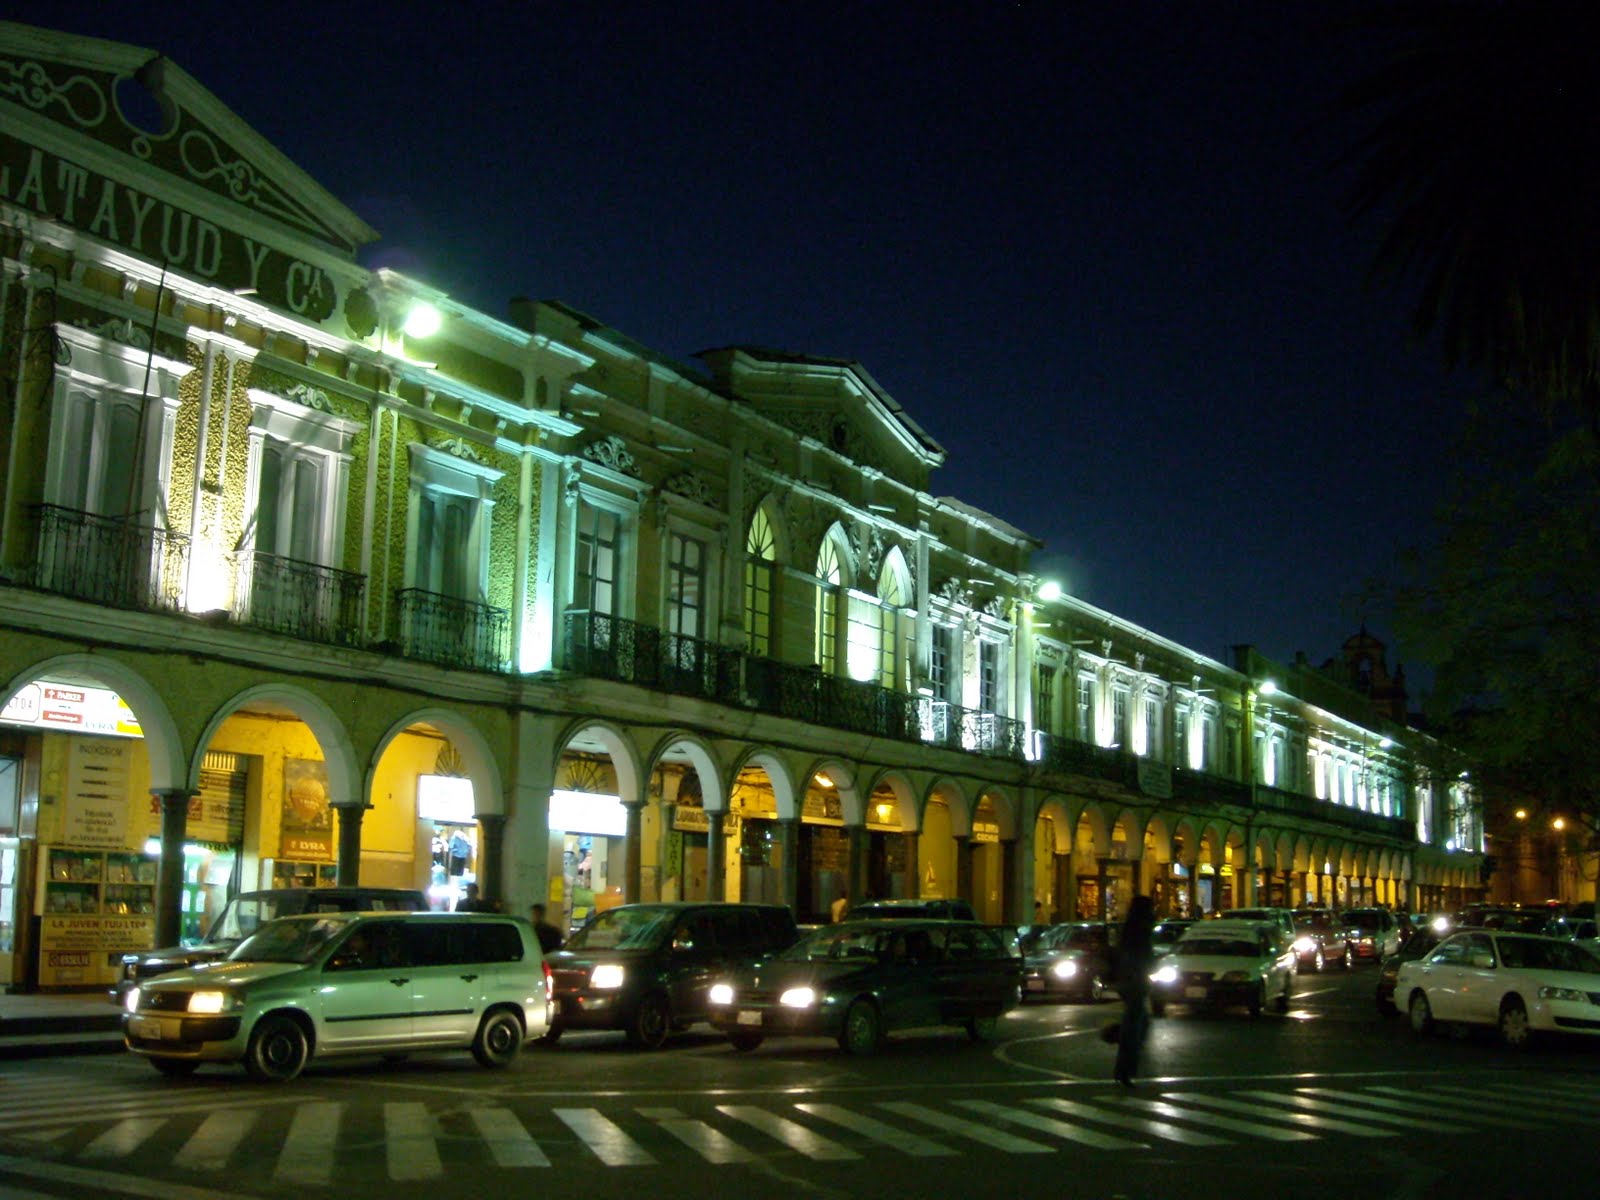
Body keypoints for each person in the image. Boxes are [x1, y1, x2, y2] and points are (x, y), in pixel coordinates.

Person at [1113, 893, 1157, 1087]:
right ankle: (1125, 1069)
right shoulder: (1141, 930)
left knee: (1138, 1021)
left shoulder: (1129, 929)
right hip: (1135, 981)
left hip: (1129, 981)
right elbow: (1142, 956)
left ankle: (1124, 1066)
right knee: (1135, 1024)